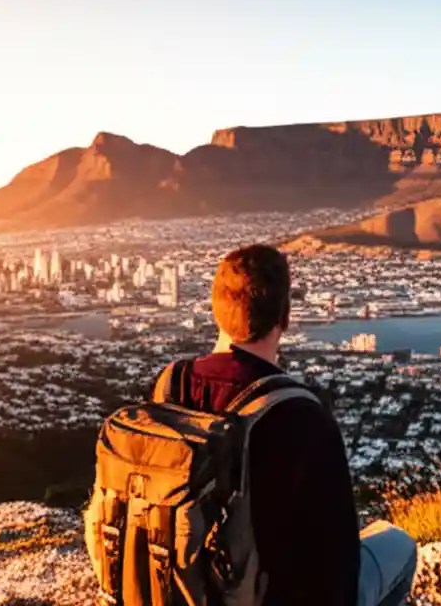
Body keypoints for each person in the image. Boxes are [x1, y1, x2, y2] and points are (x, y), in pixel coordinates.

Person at [159, 243, 417, 606]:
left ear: (216, 309)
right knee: (398, 545)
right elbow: (339, 563)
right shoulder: (300, 415)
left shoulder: (171, 385)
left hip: (172, 587)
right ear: (284, 318)